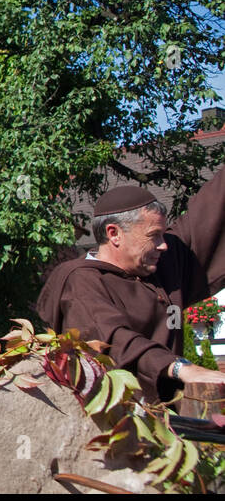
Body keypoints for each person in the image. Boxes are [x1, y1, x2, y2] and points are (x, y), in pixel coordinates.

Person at [36, 172, 225, 403]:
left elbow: (212, 211)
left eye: (163, 234)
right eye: (153, 236)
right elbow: (113, 339)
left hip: (170, 421)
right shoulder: (81, 281)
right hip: (117, 424)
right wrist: (178, 368)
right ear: (114, 233)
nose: (163, 244)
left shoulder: (160, 261)